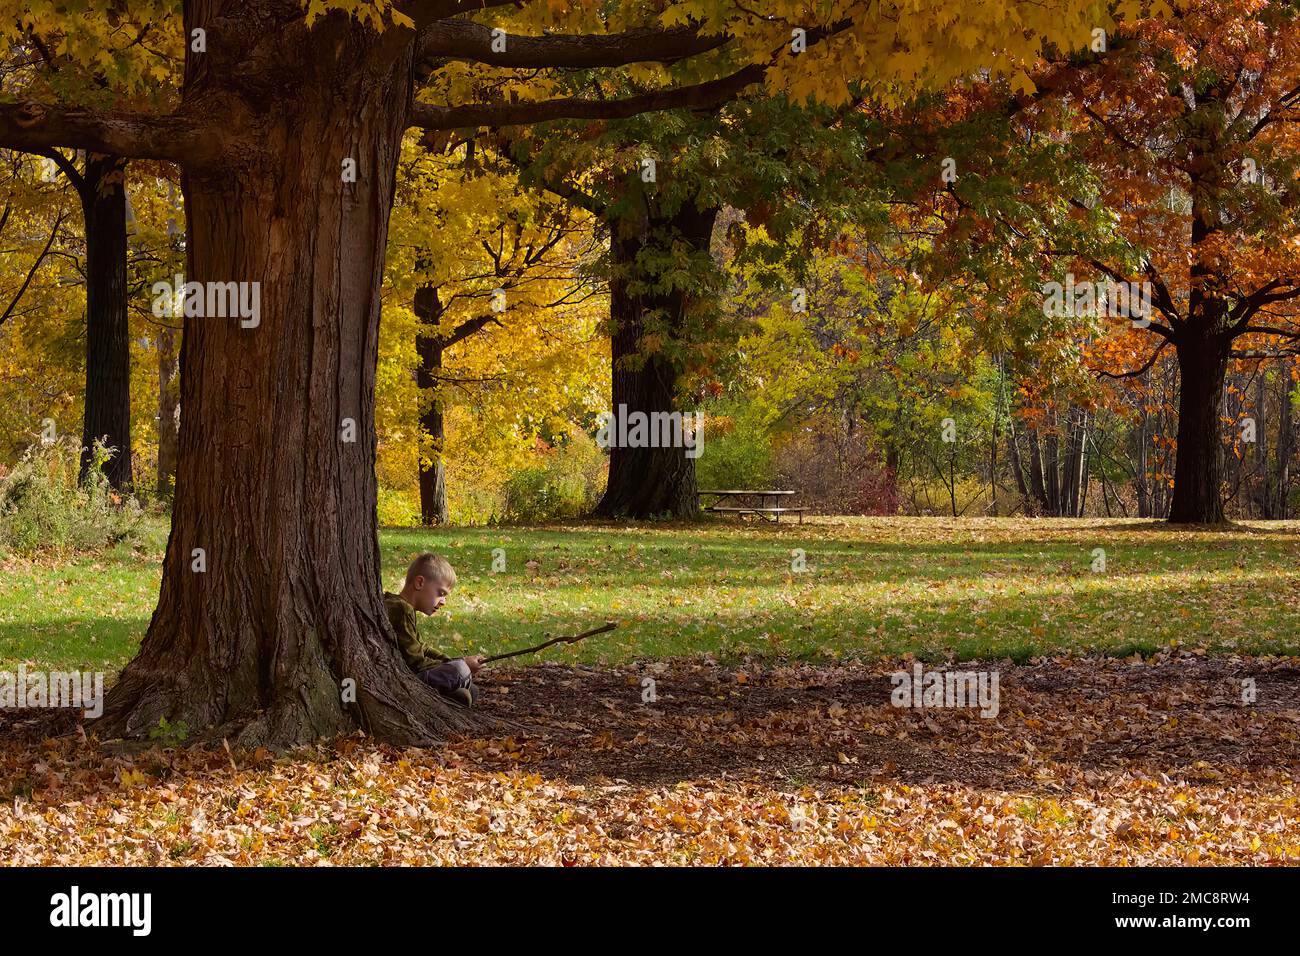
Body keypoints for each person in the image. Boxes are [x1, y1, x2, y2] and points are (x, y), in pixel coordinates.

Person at [383, 553, 485, 708]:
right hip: (409, 679)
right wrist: (462, 664)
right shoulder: (401, 609)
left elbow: (421, 648)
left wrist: (450, 661)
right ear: (419, 583)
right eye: (441, 593)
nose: (443, 602)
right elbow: (416, 661)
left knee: (470, 687)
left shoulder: (402, 607)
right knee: (459, 671)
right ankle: (441, 697)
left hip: (414, 675)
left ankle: (449, 697)